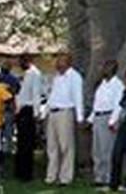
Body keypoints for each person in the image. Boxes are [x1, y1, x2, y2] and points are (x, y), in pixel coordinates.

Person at [46, 53, 85, 186]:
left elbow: (77, 97)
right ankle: (51, 175)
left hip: (65, 112)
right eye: (57, 61)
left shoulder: (74, 77)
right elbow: (52, 95)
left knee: (66, 146)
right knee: (52, 146)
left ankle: (65, 177)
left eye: (60, 61)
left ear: (68, 62)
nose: (57, 64)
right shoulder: (57, 77)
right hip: (53, 112)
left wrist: (79, 117)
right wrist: (45, 112)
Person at [93, 60, 126, 187]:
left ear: (112, 69)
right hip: (98, 117)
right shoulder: (102, 84)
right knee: (97, 150)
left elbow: (118, 105)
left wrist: (112, 121)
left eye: (106, 67)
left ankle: (108, 177)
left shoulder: (117, 85)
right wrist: (91, 119)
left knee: (107, 149)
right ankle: (99, 176)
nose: (103, 69)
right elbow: (98, 103)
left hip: (108, 117)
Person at [15, 54, 44, 181]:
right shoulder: (27, 74)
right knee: (21, 142)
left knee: (27, 143)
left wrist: (36, 113)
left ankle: (27, 173)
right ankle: (20, 171)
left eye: (22, 61)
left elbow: (36, 94)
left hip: (29, 110)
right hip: (21, 110)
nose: (20, 64)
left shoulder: (35, 74)